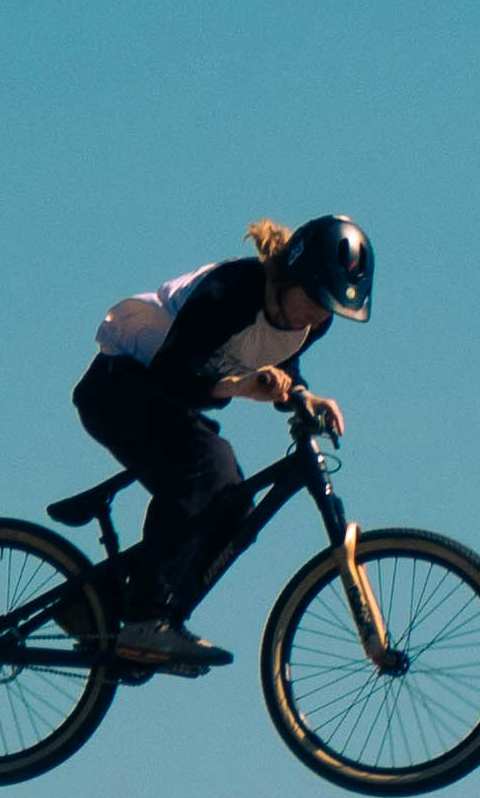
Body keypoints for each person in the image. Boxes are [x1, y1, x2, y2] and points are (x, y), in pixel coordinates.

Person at [72, 215, 373, 672]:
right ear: (290, 276)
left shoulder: (312, 323)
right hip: (121, 388)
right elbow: (173, 375)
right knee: (207, 467)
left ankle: (136, 617)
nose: (317, 314)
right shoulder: (231, 292)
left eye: (330, 306)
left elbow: (280, 361)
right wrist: (241, 386)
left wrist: (301, 395)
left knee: (234, 509)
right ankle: (146, 619)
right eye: (314, 297)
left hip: (168, 400)